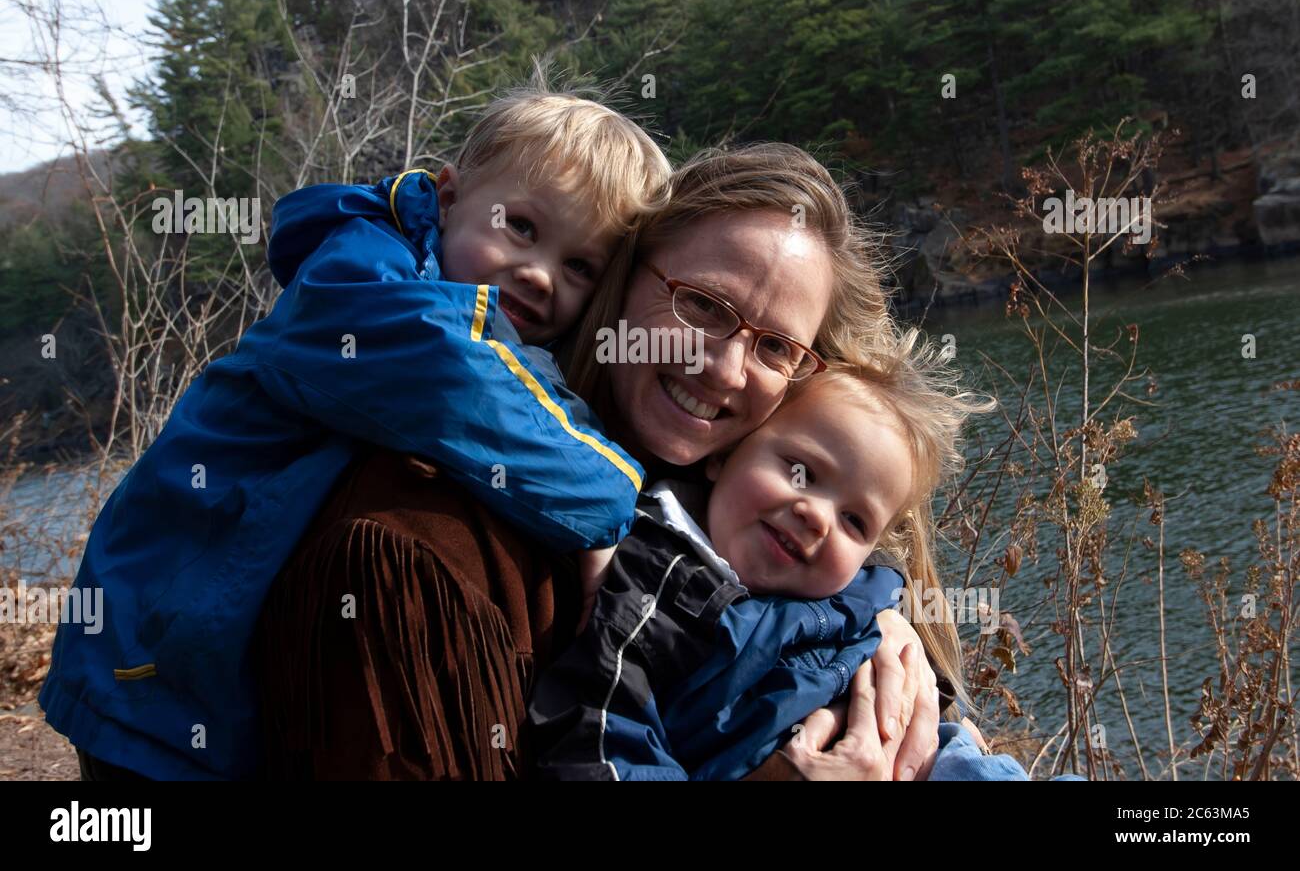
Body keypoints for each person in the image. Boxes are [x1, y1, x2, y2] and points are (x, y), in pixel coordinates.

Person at [255, 143, 951, 780]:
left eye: (775, 348)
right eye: (701, 305)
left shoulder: (769, 546)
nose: (724, 368)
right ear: (620, 279)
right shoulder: (418, 547)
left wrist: (870, 605)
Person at [43, 76, 672, 780]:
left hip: (211, 651)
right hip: (153, 654)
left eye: (579, 266)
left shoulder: (468, 320)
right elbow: (461, 388)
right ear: (449, 194)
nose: (538, 274)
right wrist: (615, 501)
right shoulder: (367, 283)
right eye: (522, 228)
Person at [530, 328, 991, 780]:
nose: (818, 517)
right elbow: (601, 732)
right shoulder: (654, 581)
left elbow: (916, 681)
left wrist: (949, 706)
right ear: (723, 457)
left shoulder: (861, 589)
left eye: (855, 521)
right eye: (801, 472)